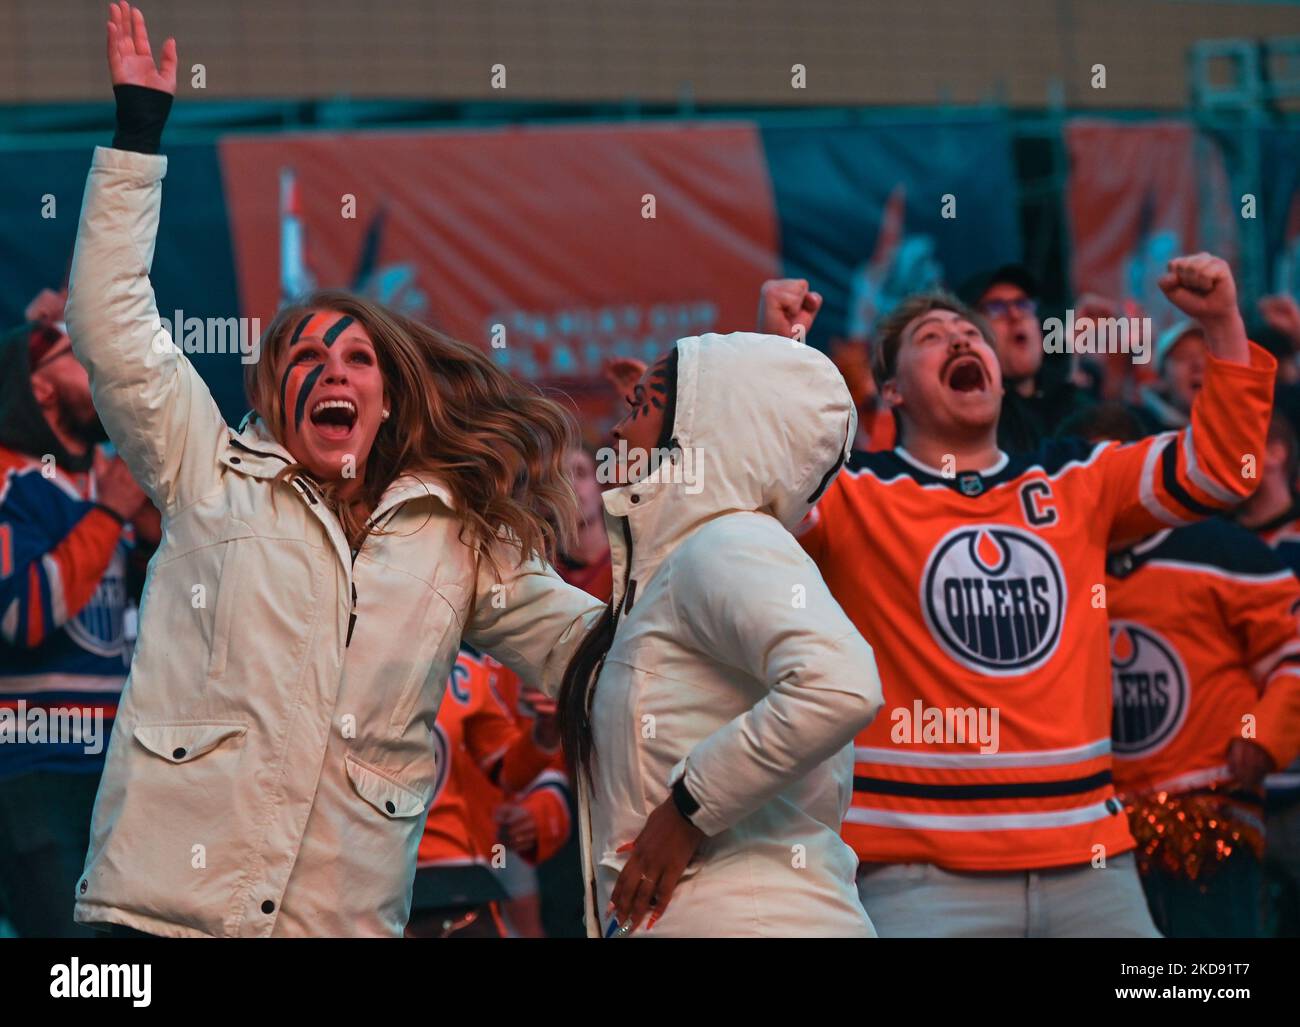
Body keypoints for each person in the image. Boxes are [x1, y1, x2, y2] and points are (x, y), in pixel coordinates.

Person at [63, 3, 603, 938]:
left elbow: (592, 648)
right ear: (275, 396)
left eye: (356, 358)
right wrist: (136, 137)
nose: (330, 371)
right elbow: (110, 325)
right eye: (303, 358)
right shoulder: (210, 472)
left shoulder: (457, 537)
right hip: (154, 921)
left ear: (388, 398)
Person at [757, 253, 1275, 936]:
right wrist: (774, 351)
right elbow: (752, 498)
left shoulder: (1077, 480)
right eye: (933, 336)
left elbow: (1222, 470)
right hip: (918, 878)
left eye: (970, 333)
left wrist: (1222, 324)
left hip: (1092, 866)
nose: (964, 338)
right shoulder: (854, 494)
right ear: (893, 392)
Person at [557, 335, 885, 937]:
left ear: (701, 430)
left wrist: (688, 808)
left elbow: (839, 685)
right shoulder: (669, 576)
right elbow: (549, 628)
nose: (616, 433)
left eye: (640, 407)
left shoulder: (728, 543)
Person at [1066, 405, 1300, 937]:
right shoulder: (1053, 566)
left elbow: (1293, 650)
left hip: (1210, 811)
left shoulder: (1222, 550)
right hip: (1094, 825)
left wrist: (1263, 737)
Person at [0, 304, 146, 937]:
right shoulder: (9, 480)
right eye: (75, 354)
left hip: (123, 771)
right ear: (38, 386)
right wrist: (112, 515)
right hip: (36, 765)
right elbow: (21, 614)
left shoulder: (109, 477)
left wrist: (143, 523)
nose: (98, 364)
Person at [408, 646, 561, 938]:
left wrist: (546, 730)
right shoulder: (337, 660)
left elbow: (506, 770)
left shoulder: (464, 670)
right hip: (363, 868)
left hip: (454, 877)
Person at [955, 263, 1093, 451]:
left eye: (1023, 304)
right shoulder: (969, 422)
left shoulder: (1075, 402)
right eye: (996, 307)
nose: (1015, 314)